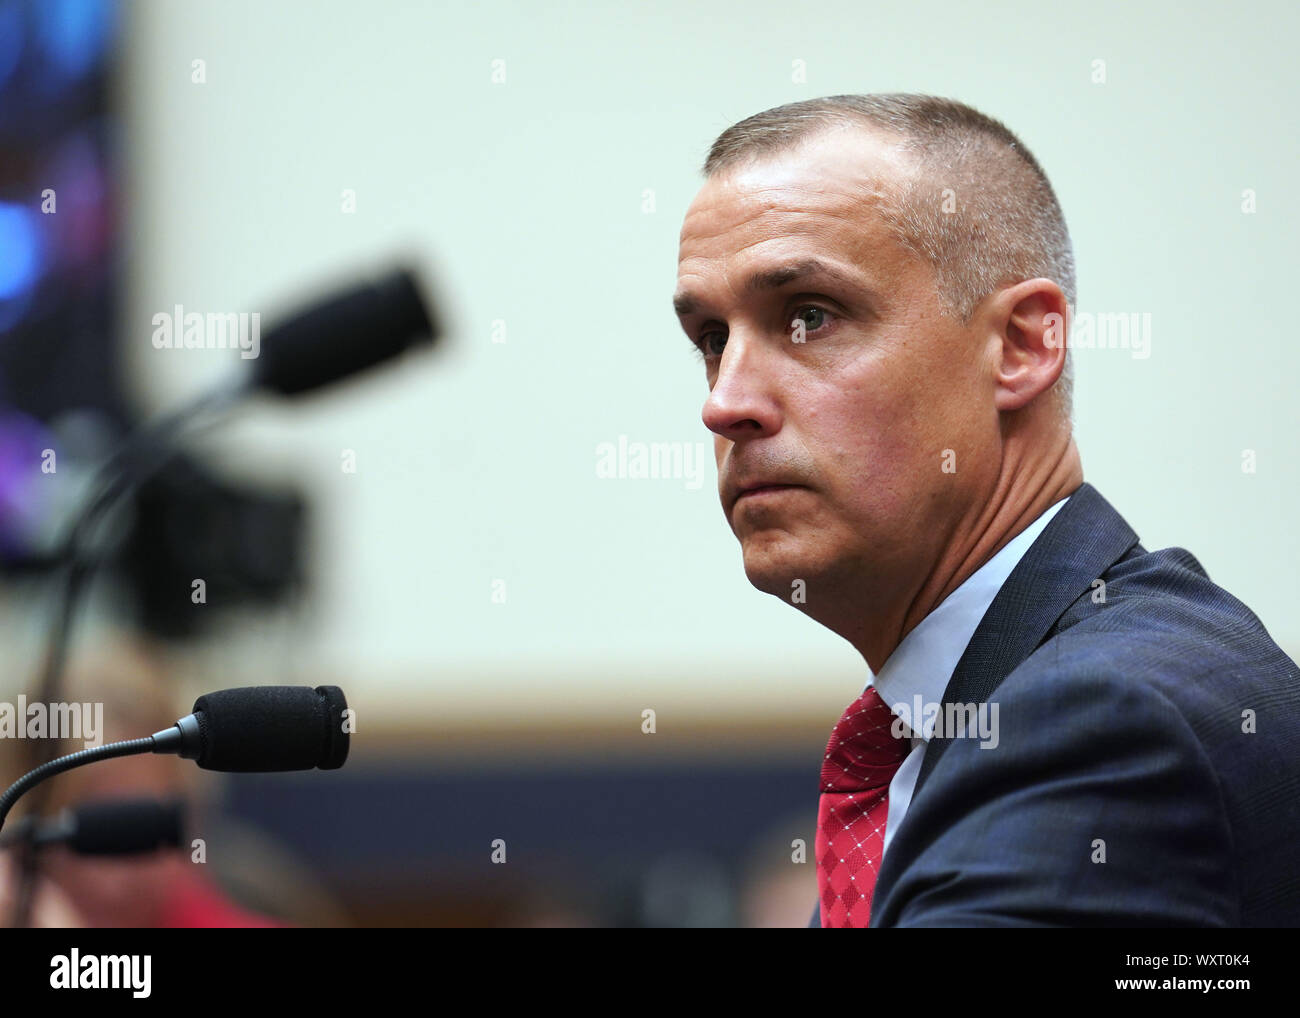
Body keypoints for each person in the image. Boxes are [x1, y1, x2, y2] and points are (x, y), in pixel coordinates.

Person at [672, 93, 1300, 928]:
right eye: (713, 338)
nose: (726, 401)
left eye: (809, 316)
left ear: (1022, 347)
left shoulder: (1107, 724)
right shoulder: (973, 712)